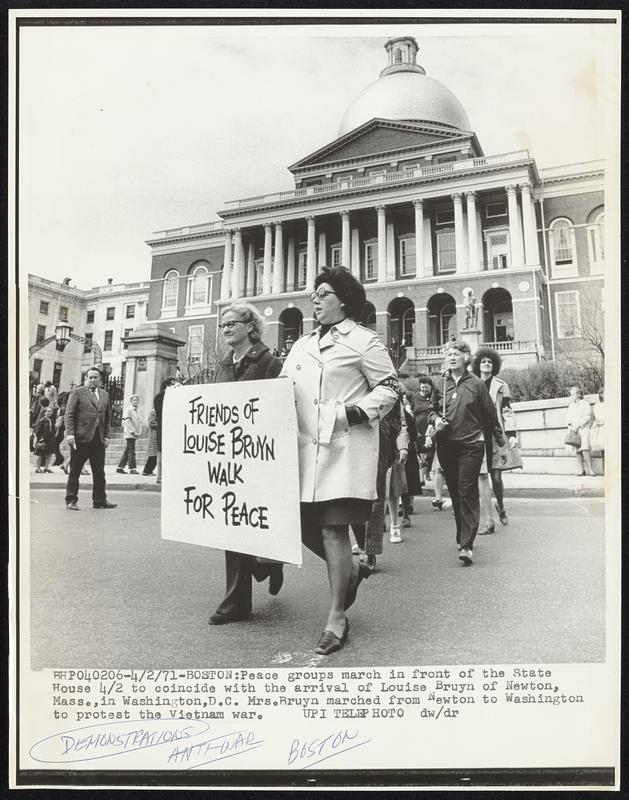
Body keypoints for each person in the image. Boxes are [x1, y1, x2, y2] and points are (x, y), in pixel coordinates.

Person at [281, 266, 398, 654]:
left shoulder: (364, 342)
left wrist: (357, 413)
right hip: (300, 451)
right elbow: (281, 390)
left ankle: (336, 618)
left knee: (333, 530)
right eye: (313, 292)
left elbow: (391, 387)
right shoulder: (301, 345)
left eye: (324, 292)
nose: (315, 298)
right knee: (296, 525)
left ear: (344, 300)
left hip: (342, 449)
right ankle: (352, 568)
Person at [207, 302, 284, 625]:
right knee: (232, 526)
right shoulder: (223, 365)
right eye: (223, 324)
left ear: (251, 327)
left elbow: (279, 409)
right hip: (228, 459)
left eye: (232, 323)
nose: (225, 328)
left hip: (259, 458)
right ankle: (237, 600)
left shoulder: (269, 362)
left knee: (253, 524)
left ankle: (269, 560)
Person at [429, 340, 506, 565]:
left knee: (466, 489)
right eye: (449, 354)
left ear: (466, 358)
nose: (452, 357)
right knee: (454, 490)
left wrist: (501, 441)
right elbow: (431, 408)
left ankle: (466, 545)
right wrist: (435, 420)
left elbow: (491, 415)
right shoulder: (440, 383)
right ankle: (462, 534)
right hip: (447, 444)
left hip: (472, 444)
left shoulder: (476, 384)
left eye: (456, 354)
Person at [472, 348, 518, 534]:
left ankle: (500, 505)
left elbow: (507, 409)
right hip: (478, 434)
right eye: (483, 361)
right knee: (482, 477)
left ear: (494, 365)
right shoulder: (473, 383)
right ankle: (488, 520)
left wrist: (512, 433)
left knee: (496, 477)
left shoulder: (501, 385)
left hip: (495, 433)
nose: (486, 364)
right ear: (478, 365)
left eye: (490, 362)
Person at [64, 367, 116, 511]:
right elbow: (69, 415)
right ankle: (71, 500)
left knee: (99, 471)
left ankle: (100, 500)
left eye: (96, 377)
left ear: (100, 379)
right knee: (75, 470)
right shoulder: (78, 392)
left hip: (98, 439)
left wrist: (107, 436)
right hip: (81, 438)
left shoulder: (104, 395)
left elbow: (108, 418)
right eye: (90, 377)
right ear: (85, 378)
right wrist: (70, 434)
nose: (93, 380)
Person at [566, 386, 595, 476]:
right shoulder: (571, 406)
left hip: (583, 429)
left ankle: (591, 470)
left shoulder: (585, 404)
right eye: (570, 395)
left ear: (578, 394)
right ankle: (581, 470)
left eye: (573, 394)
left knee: (585, 449)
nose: (571, 396)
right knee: (577, 450)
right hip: (574, 431)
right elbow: (568, 418)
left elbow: (587, 417)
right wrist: (571, 426)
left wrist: (578, 426)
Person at [154, 377, 175, 485]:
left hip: (172, 429)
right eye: (172, 385)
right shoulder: (159, 397)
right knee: (161, 453)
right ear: (166, 386)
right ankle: (160, 476)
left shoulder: (174, 397)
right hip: (163, 428)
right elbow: (160, 413)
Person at [116, 394, 142, 474]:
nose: (135, 401)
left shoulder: (138, 410)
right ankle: (132, 468)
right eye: (134, 400)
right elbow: (127, 421)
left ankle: (120, 467)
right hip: (130, 433)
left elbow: (139, 422)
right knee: (131, 451)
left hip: (135, 433)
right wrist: (133, 432)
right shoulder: (128, 410)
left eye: (136, 400)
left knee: (128, 450)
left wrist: (139, 432)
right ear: (131, 401)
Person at [33, 406, 56, 472]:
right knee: (40, 454)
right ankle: (38, 468)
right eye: (48, 411)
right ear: (44, 413)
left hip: (50, 440)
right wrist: (40, 438)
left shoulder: (51, 420)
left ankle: (46, 467)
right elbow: (37, 431)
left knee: (50, 453)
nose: (50, 412)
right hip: (44, 440)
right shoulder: (42, 421)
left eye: (51, 411)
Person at [142, 406, 158, 476]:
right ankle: (147, 471)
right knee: (153, 455)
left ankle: (148, 471)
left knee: (155, 455)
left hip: (157, 435)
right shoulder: (153, 411)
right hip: (154, 436)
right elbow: (151, 423)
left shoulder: (157, 411)